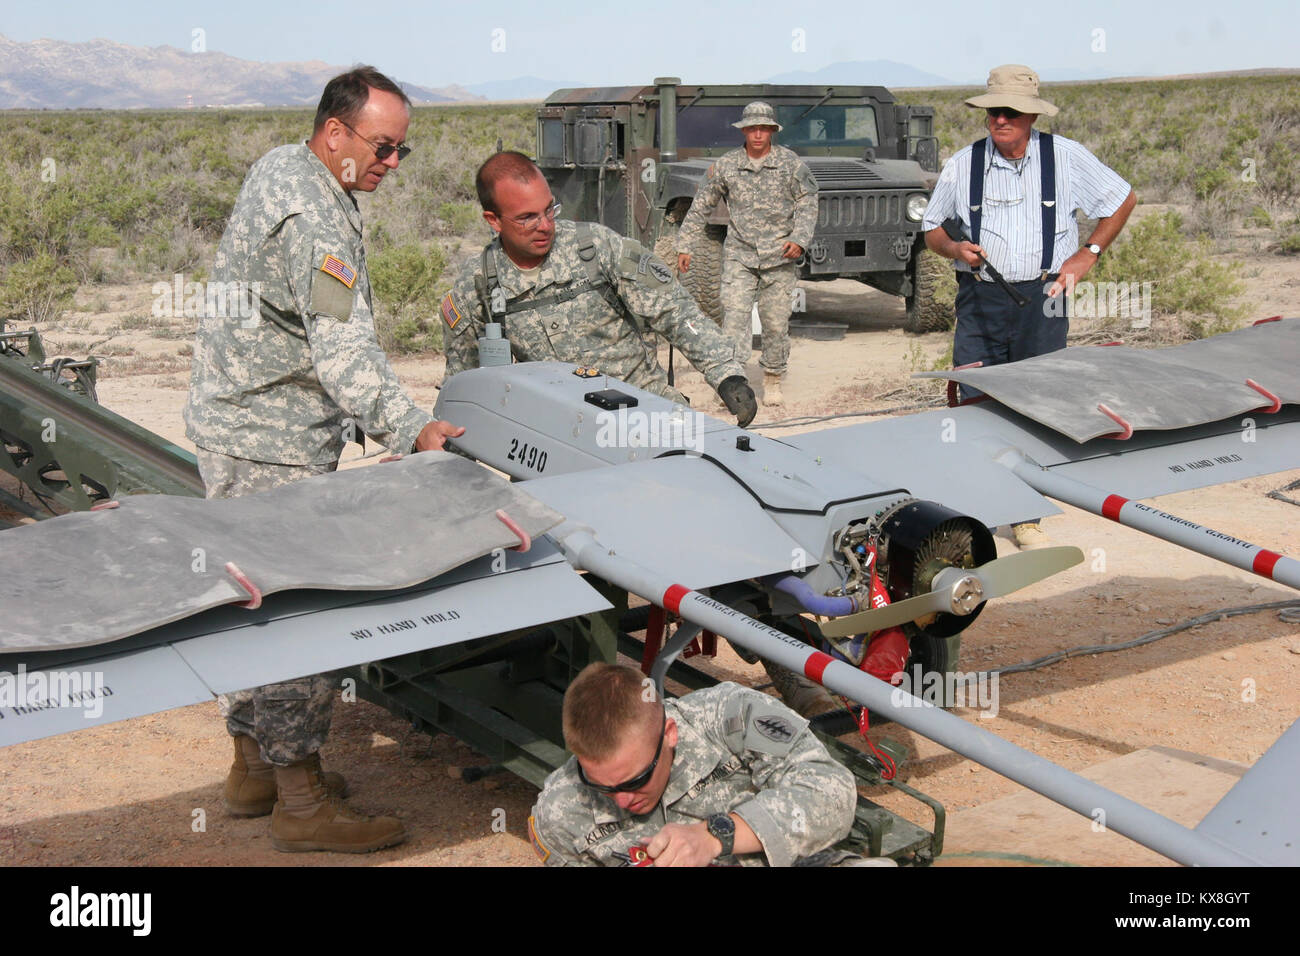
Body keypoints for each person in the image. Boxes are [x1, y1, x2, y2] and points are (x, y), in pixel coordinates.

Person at [184, 66, 463, 853]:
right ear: (335, 132)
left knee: (247, 608)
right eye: (382, 146)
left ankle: (253, 771)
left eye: (403, 150)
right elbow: (342, 354)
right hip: (272, 448)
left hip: (237, 428)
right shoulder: (317, 217)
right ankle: (301, 804)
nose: (392, 164)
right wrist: (412, 428)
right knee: (296, 620)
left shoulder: (283, 165)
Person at [922, 64, 1136, 550]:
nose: (1001, 120)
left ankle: (1026, 513)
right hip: (980, 297)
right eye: (994, 110)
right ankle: (978, 504)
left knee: (1037, 399)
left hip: (1046, 296)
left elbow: (1122, 199)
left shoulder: (1065, 157)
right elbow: (933, 228)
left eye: (1012, 112)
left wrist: (1089, 253)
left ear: (1031, 116)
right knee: (975, 394)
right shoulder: (963, 164)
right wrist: (955, 250)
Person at [440, 152, 757, 426]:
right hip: (558, 432)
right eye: (527, 218)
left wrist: (726, 374)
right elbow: (463, 384)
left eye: (549, 210)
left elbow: (675, 310)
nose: (545, 225)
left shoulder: (595, 246)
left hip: (645, 411)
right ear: (494, 220)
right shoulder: (477, 286)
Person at [528, 662, 866, 867]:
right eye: (601, 785)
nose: (621, 801)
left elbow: (831, 793)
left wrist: (714, 836)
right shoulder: (561, 813)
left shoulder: (728, 716)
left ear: (669, 734)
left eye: (635, 780)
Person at [677, 101, 819, 408]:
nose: (757, 134)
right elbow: (701, 204)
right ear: (744, 131)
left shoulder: (790, 164)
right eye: (752, 129)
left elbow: (808, 201)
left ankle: (772, 379)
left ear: (771, 131)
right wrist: (685, 244)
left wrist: (800, 240)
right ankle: (734, 384)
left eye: (763, 129)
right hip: (740, 256)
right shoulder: (727, 165)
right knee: (734, 321)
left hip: (779, 256)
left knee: (776, 323)